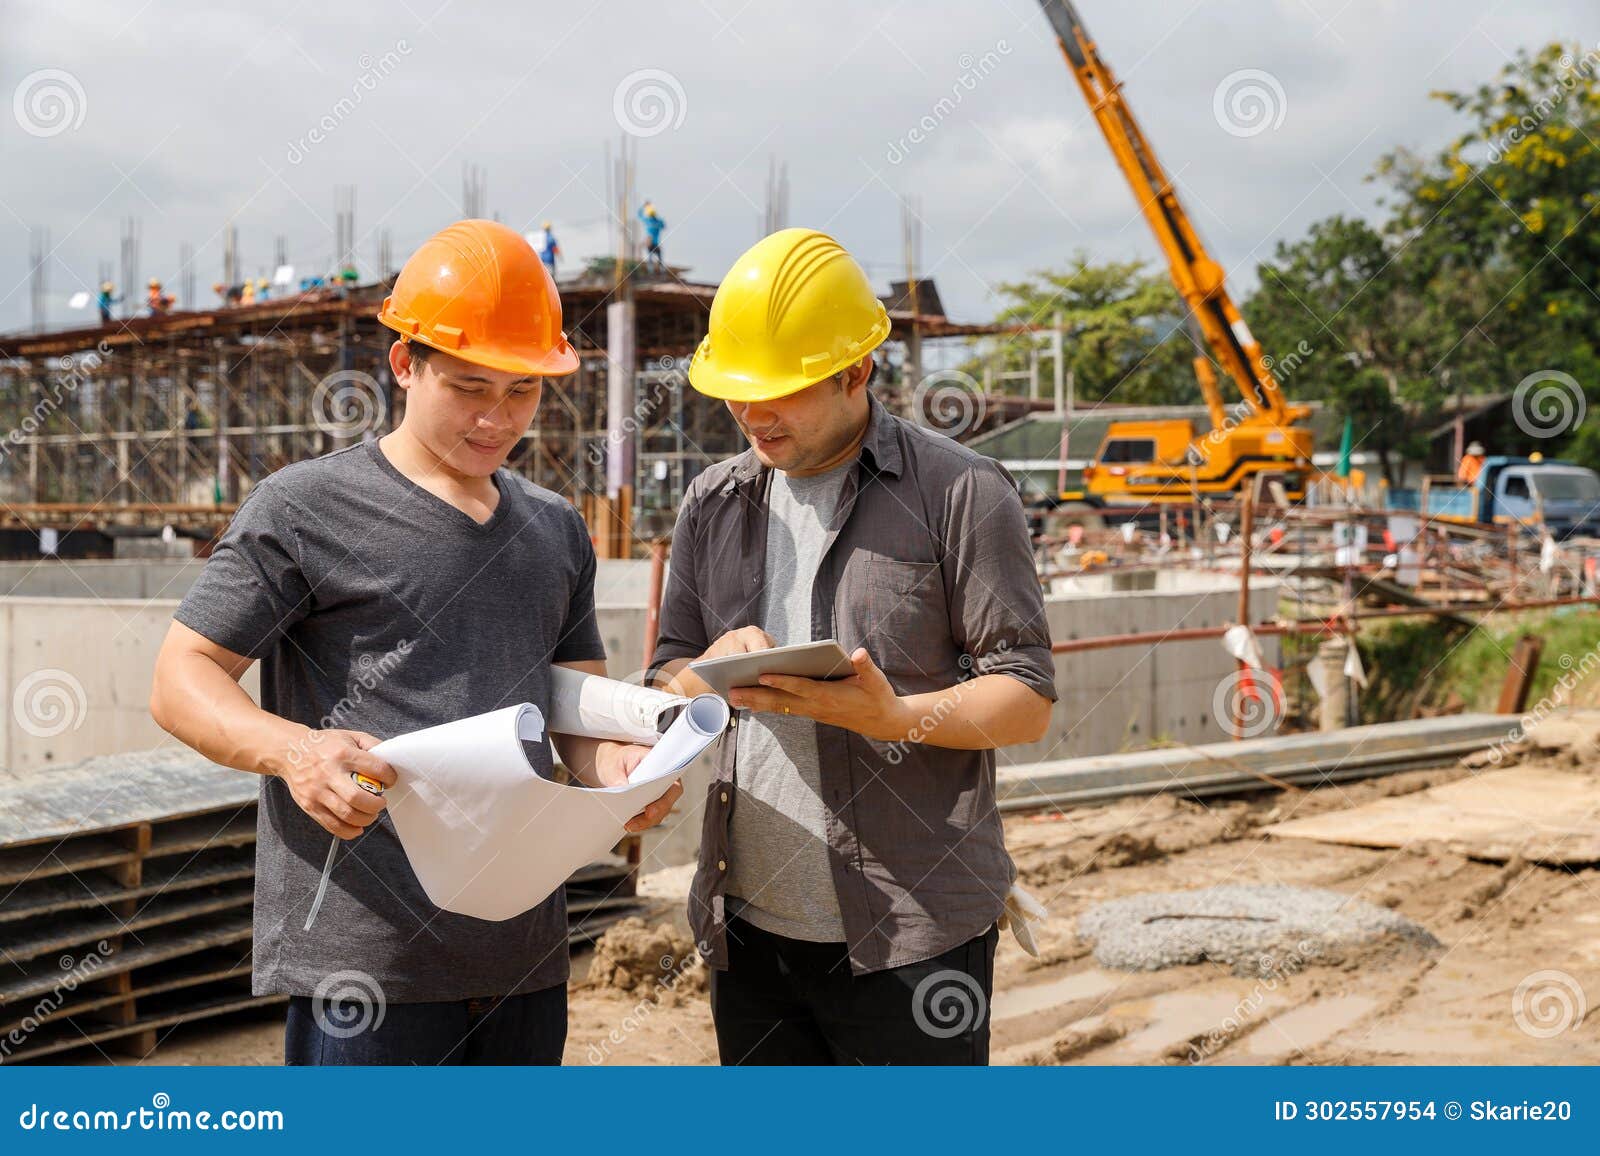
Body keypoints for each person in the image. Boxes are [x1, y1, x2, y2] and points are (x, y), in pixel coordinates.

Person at [150, 219, 681, 1066]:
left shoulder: (553, 529)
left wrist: (617, 775)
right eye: (469, 386)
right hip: (366, 967)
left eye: (521, 392)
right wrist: (296, 752)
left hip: (523, 957)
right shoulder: (304, 510)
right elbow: (182, 678)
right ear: (405, 363)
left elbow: (571, 709)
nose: (496, 418)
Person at [646, 228, 1056, 1065]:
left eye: (782, 392)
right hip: (749, 930)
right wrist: (699, 674)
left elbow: (1026, 698)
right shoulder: (712, 503)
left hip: (914, 934)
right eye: (738, 391)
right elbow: (666, 671)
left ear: (856, 371)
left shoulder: (962, 494)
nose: (752, 415)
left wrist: (892, 715)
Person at [638, 201, 666, 272]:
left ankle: (652, 271)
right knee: (658, 258)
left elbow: (640, 215)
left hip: (650, 243)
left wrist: (644, 207)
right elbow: (663, 225)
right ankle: (660, 271)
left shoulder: (648, 221)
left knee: (651, 258)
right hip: (655, 243)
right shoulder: (658, 222)